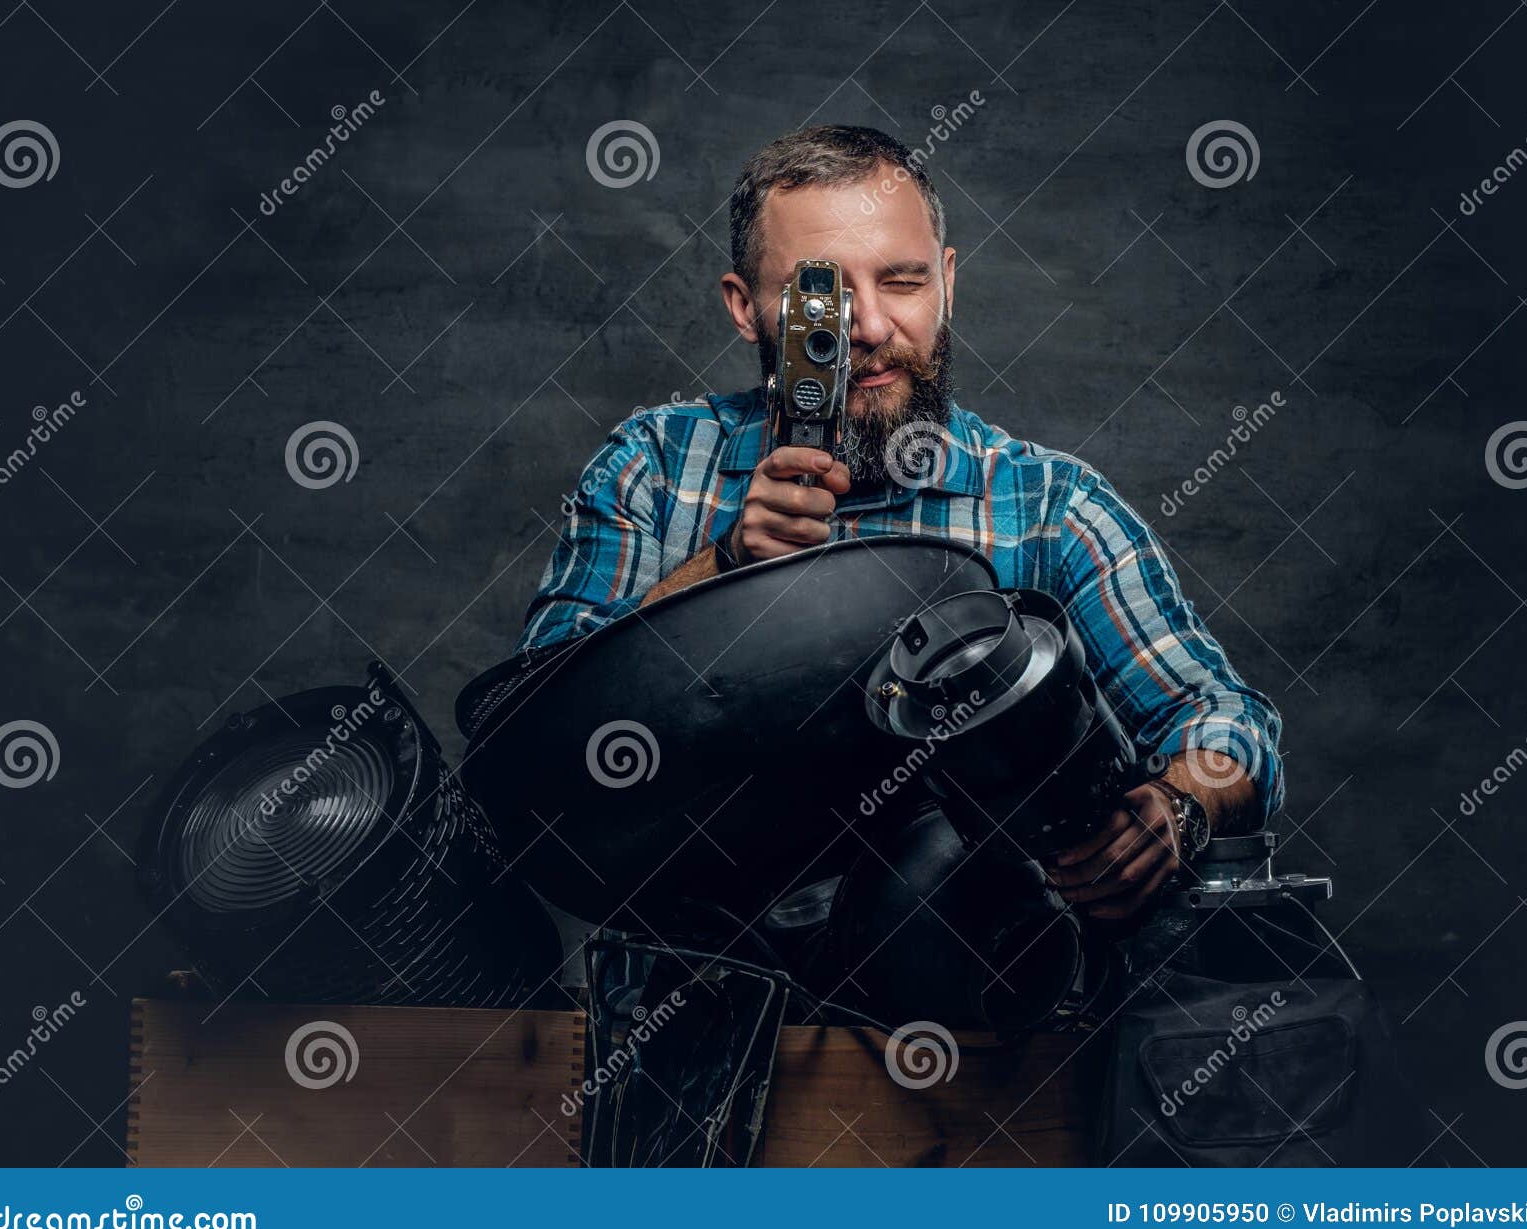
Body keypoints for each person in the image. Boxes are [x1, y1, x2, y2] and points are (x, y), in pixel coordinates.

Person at [518, 124, 1282, 922]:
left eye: (904, 282)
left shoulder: (1051, 508)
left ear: (947, 283)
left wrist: (1174, 810)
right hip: (705, 1010)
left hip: (990, 1008)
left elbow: (1226, 723)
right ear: (745, 308)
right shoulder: (656, 468)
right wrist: (720, 567)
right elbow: (527, 741)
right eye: (824, 294)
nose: (871, 328)